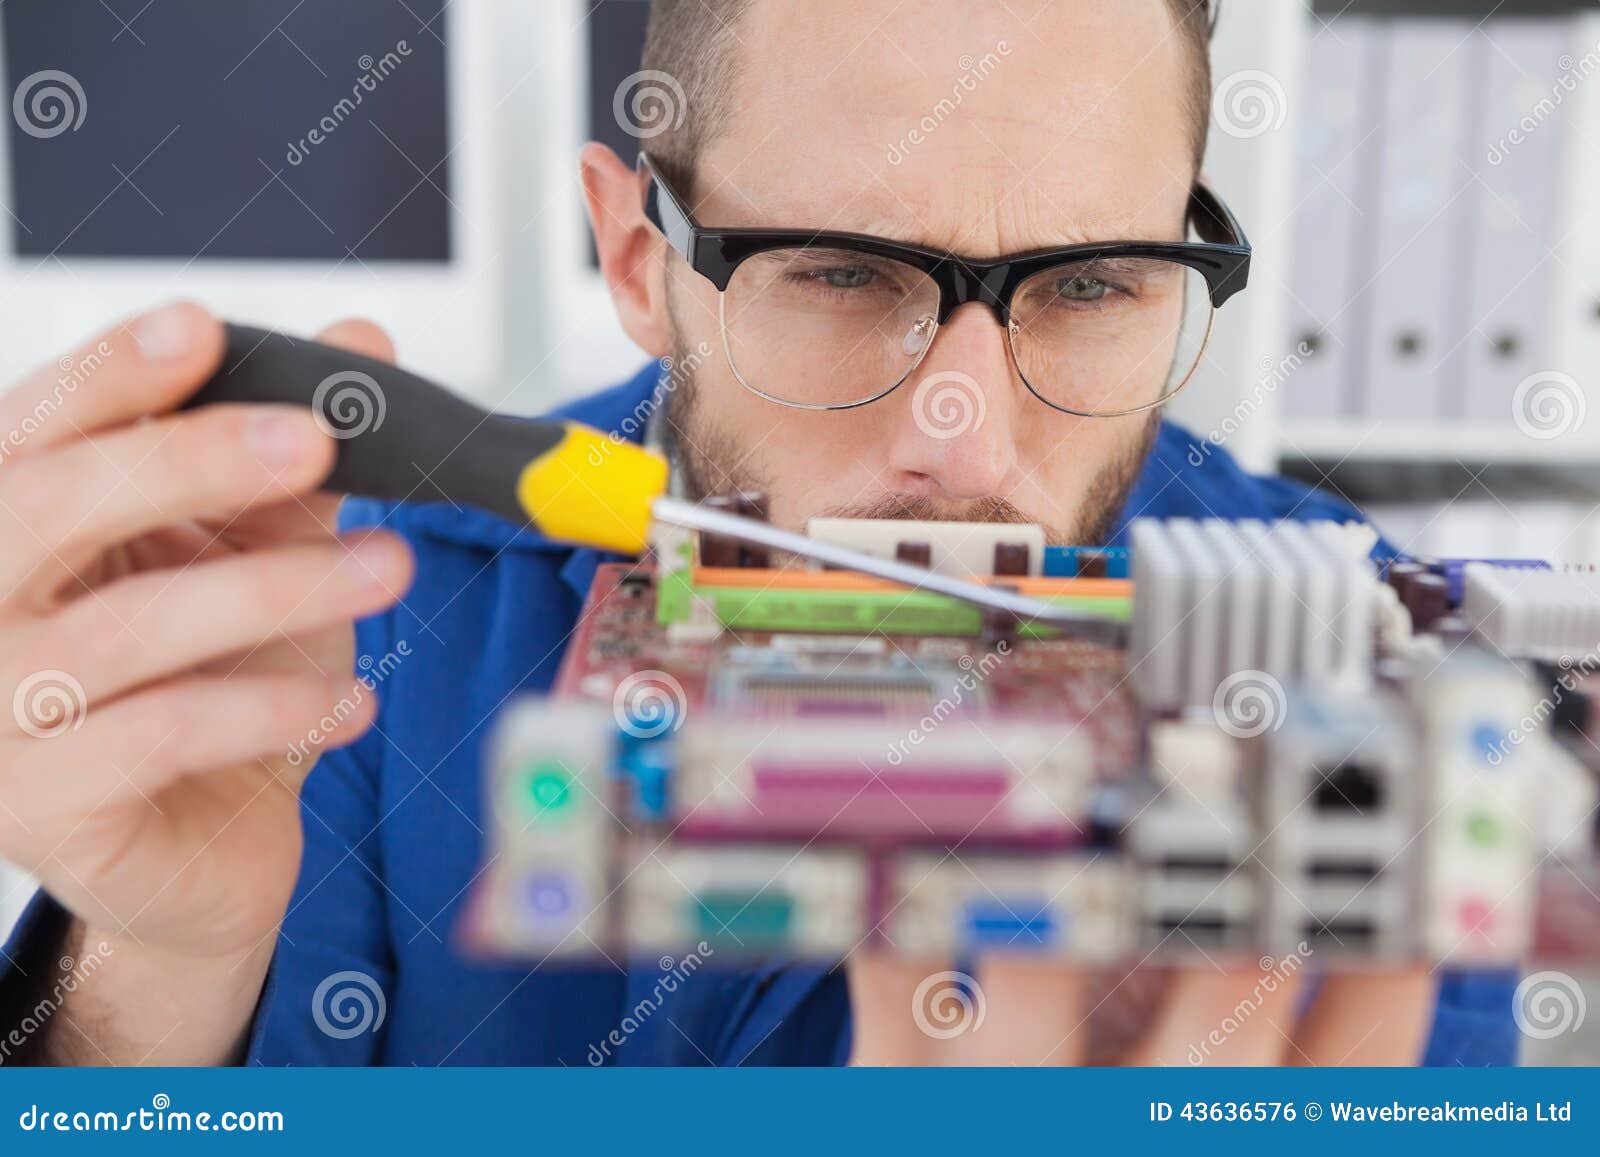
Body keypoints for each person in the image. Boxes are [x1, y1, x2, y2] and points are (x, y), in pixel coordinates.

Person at [0, 0, 1515, 1066]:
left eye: (1092, 285)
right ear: (637, 258)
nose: (965, 444)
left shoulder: (1366, 677)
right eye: (844, 273)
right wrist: (155, 966)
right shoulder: (360, 608)